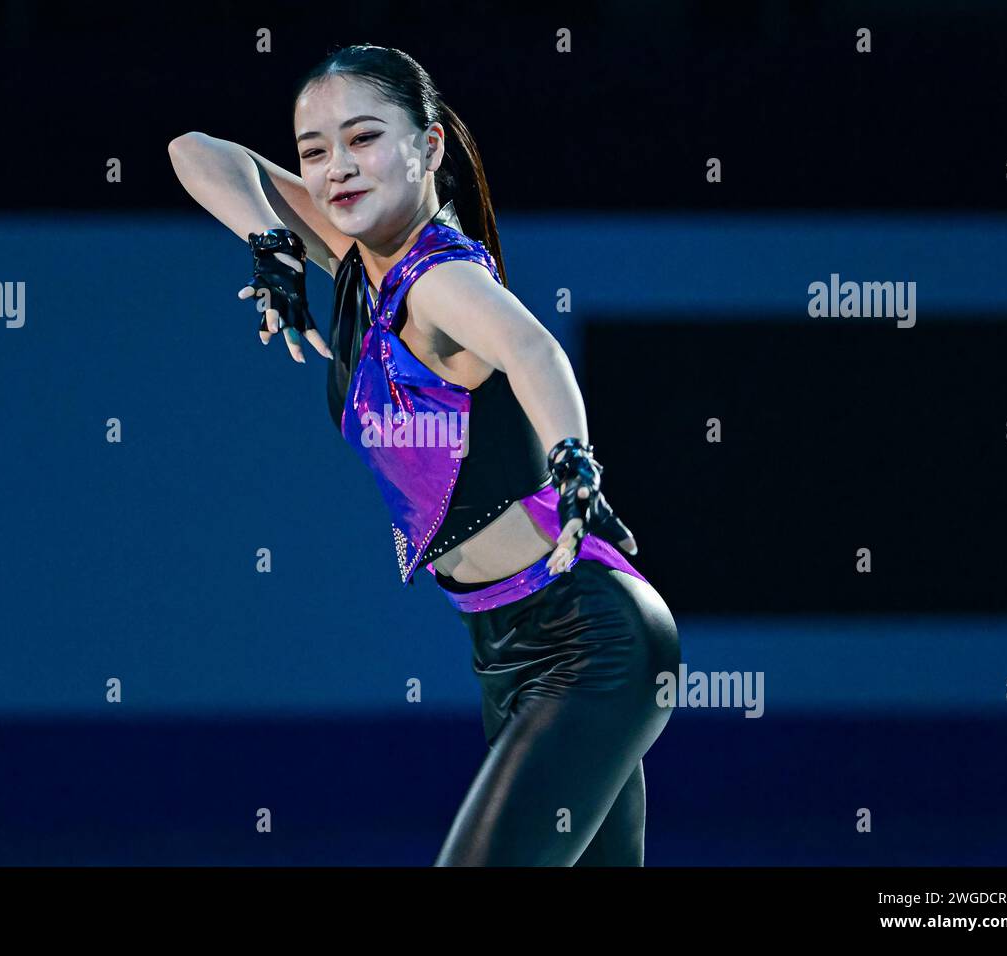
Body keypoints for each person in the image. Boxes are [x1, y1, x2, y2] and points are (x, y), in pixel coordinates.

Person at [168, 43, 680, 866]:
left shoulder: (437, 280)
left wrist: (573, 458)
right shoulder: (357, 267)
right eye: (313, 150)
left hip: (589, 643)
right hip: (508, 652)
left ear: (430, 147)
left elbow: (531, 348)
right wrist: (267, 239)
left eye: (364, 138)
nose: (336, 167)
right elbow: (194, 152)